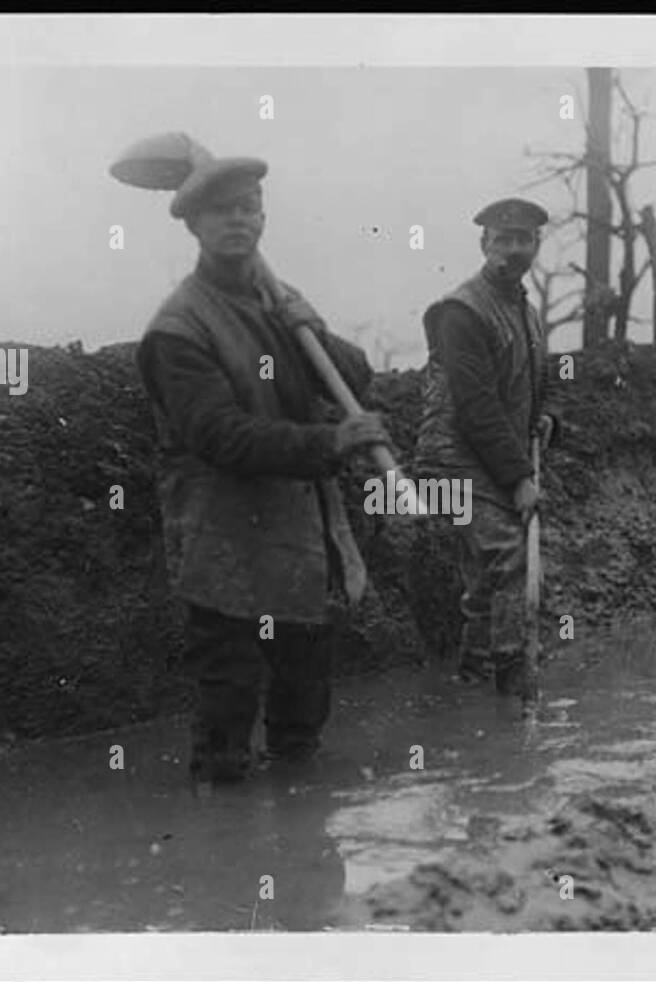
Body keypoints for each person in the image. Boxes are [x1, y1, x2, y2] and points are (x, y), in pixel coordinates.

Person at [134, 145, 392, 786]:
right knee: (229, 709)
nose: (238, 221)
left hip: (297, 538)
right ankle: (225, 860)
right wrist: (330, 446)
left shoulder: (281, 301)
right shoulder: (178, 328)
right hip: (224, 541)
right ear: (192, 226)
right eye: (221, 211)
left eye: (249, 207)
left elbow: (352, 380)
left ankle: (302, 859)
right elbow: (219, 435)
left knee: (303, 706)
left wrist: (319, 333)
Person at [414, 197, 560, 697]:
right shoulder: (461, 310)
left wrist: (542, 419)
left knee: (484, 584)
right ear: (483, 244)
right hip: (451, 464)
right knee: (510, 559)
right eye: (503, 240)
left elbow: (522, 387)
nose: (513, 250)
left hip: (491, 461)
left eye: (524, 240)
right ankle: (516, 695)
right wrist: (520, 478)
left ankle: (473, 697)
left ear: (537, 246)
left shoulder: (528, 313)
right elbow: (476, 405)